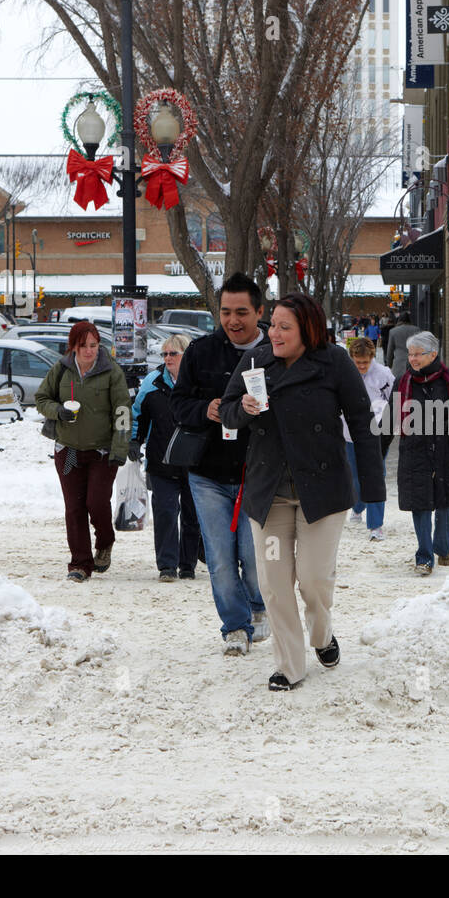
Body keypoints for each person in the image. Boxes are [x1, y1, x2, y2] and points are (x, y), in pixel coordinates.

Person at [221, 293, 385, 692]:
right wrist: (242, 408)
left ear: (306, 330)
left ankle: (322, 636)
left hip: (322, 492)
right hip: (270, 493)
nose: (273, 333)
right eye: (272, 324)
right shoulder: (256, 361)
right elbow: (226, 412)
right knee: (274, 583)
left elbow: (361, 424)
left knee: (313, 579)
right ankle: (289, 666)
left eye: (283, 327)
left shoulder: (335, 362)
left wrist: (373, 486)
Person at [170, 272, 270, 655]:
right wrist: (205, 409)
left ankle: (259, 605)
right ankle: (235, 626)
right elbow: (178, 404)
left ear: (259, 312)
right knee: (220, 557)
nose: (233, 321)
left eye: (242, 312)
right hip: (207, 473)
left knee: (252, 554)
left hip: (256, 472)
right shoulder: (200, 351)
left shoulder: (273, 353)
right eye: (226, 312)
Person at [35, 321, 131, 582]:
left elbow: (122, 411)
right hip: (69, 451)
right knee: (74, 508)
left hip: (102, 452)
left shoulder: (111, 371)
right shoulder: (61, 369)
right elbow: (42, 399)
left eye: (94, 345)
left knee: (96, 502)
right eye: (83, 346)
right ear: (73, 347)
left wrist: (120, 447)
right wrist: (58, 412)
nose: (89, 351)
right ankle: (79, 564)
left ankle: (105, 540)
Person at [395, 332, 449, 576]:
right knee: (420, 505)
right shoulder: (404, 381)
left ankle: (443, 546)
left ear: (433, 354)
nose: (412, 359)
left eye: (417, 354)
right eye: (410, 354)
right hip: (415, 452)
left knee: (445, 501)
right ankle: (424, 556)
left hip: (446, 450)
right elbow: (391, 414)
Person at [131, 333, 200, 582]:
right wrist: (134, 440)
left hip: (195, 462)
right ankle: (167, 566)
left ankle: (188, 564)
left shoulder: (199, 382)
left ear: (186, 355)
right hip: (161, 461)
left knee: (193, 516)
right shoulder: (153, 382)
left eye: (173, 353)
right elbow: (138, 414)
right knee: (166, 512)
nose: (168, 358)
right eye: (165, 354)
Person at [342, 337, 394, 540]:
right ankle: (357, 506)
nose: (362, 366)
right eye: (358, 362)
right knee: (354, 477)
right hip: (349, 433)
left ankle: (376, 525)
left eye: (366, 362)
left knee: (374, 477)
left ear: (372, 357)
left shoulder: (384, 375)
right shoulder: (344, 375)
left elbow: (394, 401)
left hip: (376, 434)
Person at [385, 310, 420, 380]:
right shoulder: (416, 330)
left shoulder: (393, 331)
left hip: (398, 365)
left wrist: (389, 364)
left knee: (397, 388)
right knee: (412, 386)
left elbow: (390, 351)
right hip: (414, 364)